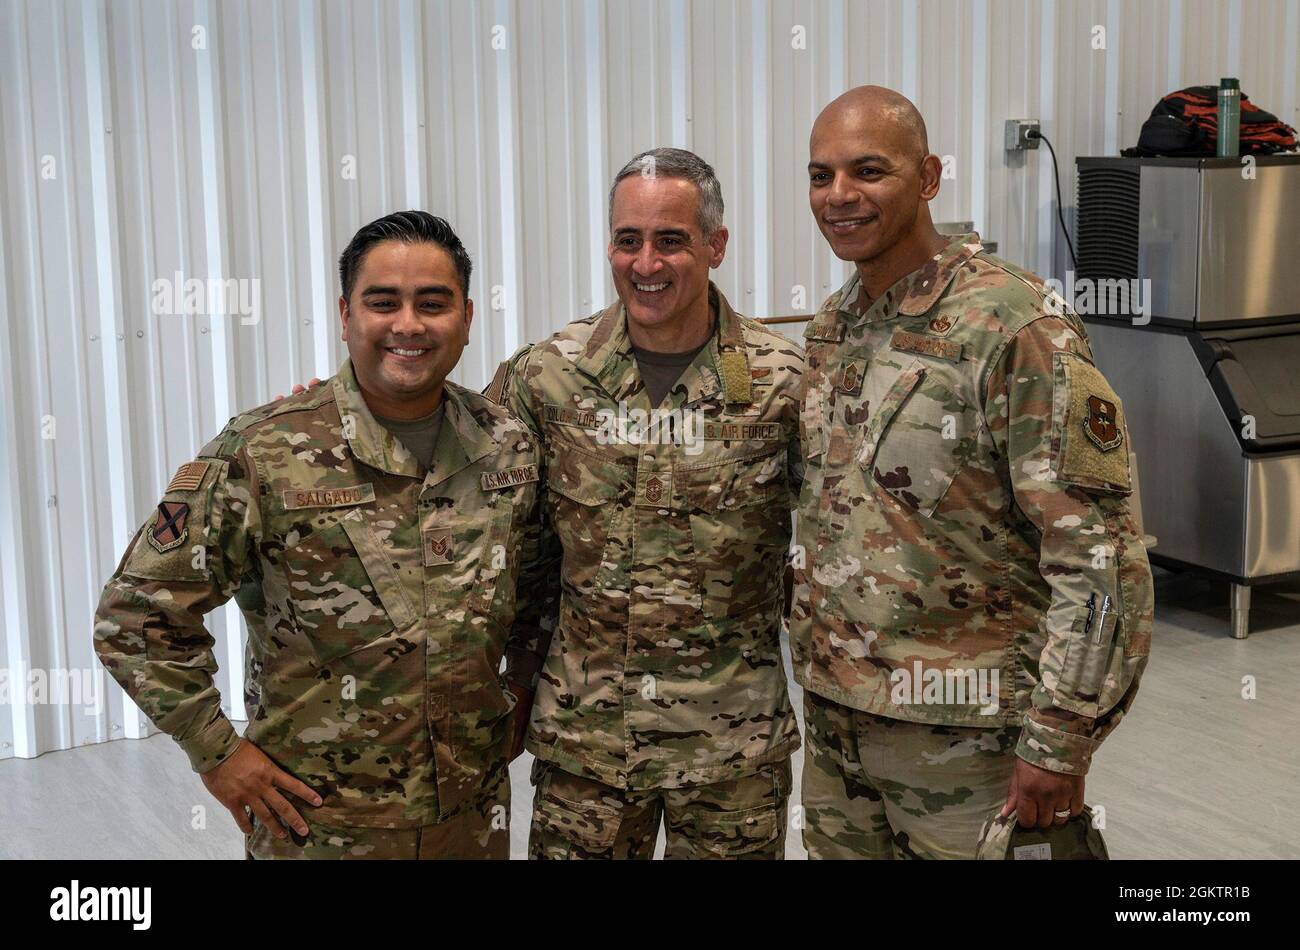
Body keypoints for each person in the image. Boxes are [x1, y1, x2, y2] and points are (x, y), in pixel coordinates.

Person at [94, 211, 543, 859]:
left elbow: (535, 592)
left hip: (471, 821)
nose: (409, 324)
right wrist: (219, 753)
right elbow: (135, 617)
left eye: (433, 303)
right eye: (383, 302)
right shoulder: (267, 450)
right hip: (318, 827)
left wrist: (518, 692)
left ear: (467, 317)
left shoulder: (507, 447)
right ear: (346, 315)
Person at [792, 86, 1154, 859]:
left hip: (972, 741)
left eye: (868, 170)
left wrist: (1060, 737)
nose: (839, 195)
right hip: (838, 730)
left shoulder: (1015, 327)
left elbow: (1101, 558)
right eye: (820, 176)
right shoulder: (837, 323)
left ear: (929, 178)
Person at [487, 148, 803, 859]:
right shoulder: (550, 376)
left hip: (732, 753)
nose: (646, 263)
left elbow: (851, 529)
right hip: (587, 748)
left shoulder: (782, 382)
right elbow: (469, 487)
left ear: (715, 245)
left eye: (671, 241)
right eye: (628, 240)